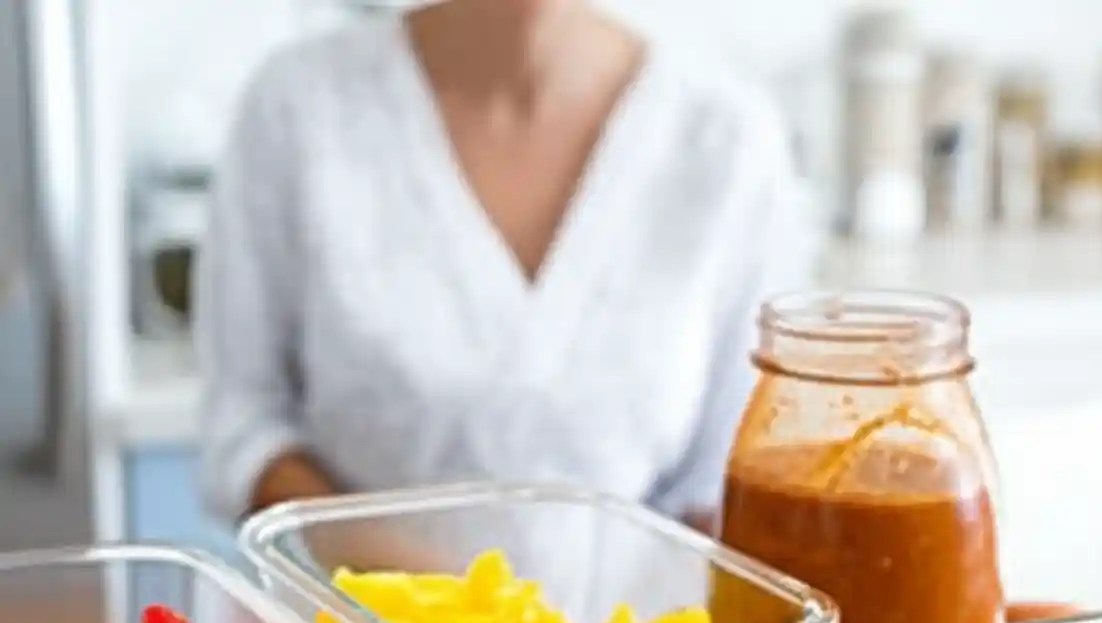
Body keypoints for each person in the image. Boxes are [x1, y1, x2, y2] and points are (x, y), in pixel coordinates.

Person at [197, 0, 817, 532]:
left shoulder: (728, 138)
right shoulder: (298, 106)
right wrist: (404, 598)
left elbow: (725, 484)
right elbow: (242, 430)